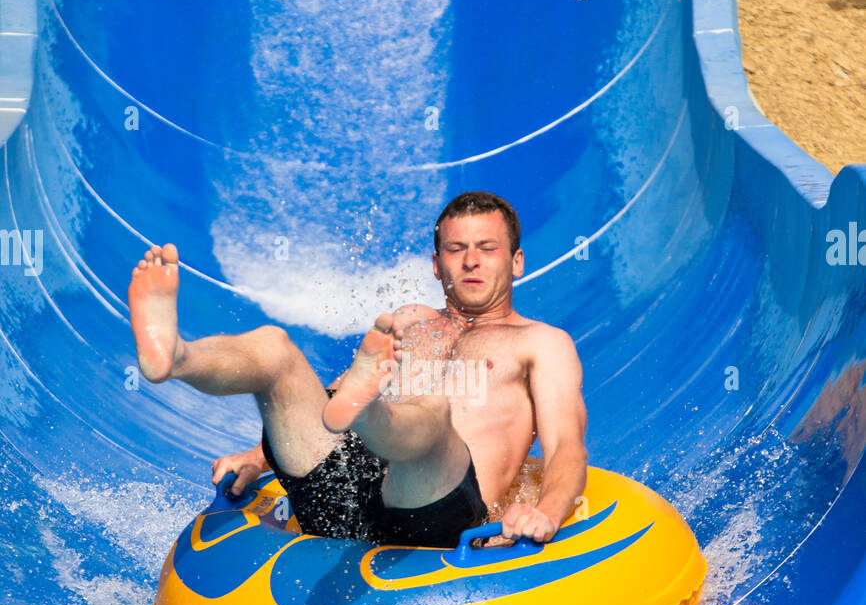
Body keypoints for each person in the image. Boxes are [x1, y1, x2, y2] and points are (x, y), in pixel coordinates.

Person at [128, 191, 588, 548]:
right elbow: (326, 413)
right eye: (456, 248)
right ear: (435, 263)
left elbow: (567, 447)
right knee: (276, 349)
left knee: (429, 412)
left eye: (487, 248)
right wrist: (258, 457)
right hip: (345, 500)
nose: (470, 260)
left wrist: (544, 511)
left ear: (517, 261)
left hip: (434, 517)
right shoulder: (410, 321)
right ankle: (176, 356)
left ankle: (375, 414)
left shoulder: (541, 344)